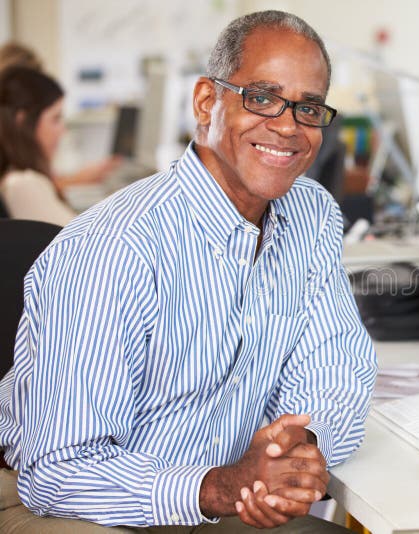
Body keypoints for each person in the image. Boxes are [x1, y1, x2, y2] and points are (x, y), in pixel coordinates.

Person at [0, 10, 376, 533]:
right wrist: (221, 486)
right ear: (206, 102)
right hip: (77, 505)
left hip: (222, 496)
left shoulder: (310, 214)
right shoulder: (114, 249)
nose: (288, 126)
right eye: (262, 98)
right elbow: (59, 473)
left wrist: (295, 452)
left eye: (308, 107)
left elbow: (335, 369)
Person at [0, 41, 122, 194]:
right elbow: (32, 191)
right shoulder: (16, 177)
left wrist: (81, 177)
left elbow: (44, 185)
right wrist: (80, 178)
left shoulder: (21, 157)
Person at [0, 66, 76, 225]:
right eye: (55, 119)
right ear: (23, 121)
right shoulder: (23, 184)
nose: (62, 130)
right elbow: (85, 243)